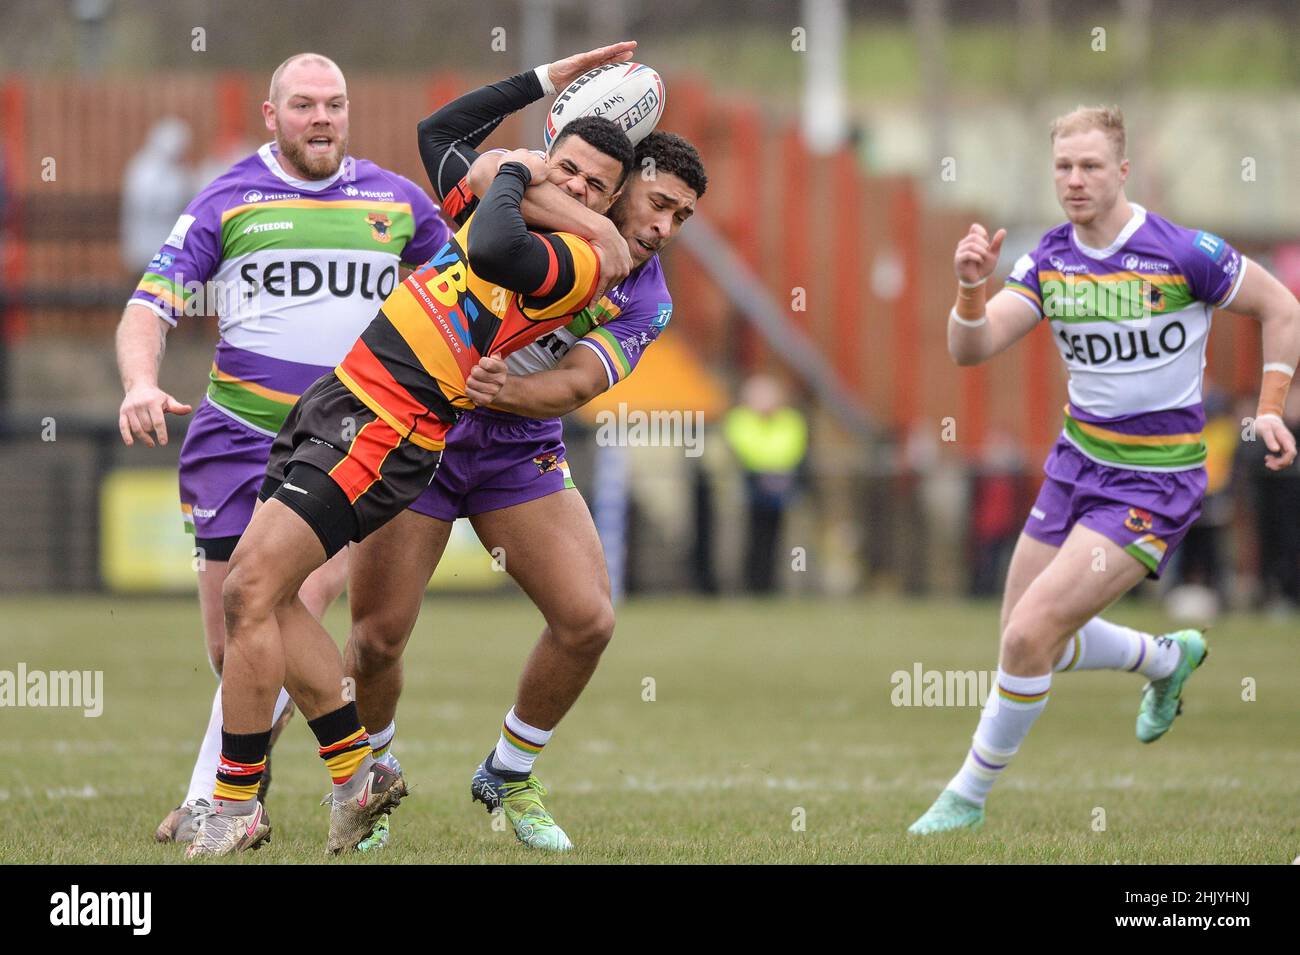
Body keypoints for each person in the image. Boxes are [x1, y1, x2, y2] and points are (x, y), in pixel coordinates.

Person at [183, 115, 636, 857]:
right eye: (570, 169)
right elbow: (443, 135)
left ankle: (237, 803)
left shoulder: (579, 260)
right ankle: (354, 772)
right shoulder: (528, 213)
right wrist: (539, 93)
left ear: (604, 207)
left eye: (597, 187)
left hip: (392, 420)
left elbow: (492, 236)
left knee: (255, 591)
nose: (578, 187)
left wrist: (517, 169)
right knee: (253, 593)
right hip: (345, 392)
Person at [343, 48, 707, 852]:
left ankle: (507, 770)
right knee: (375, 637)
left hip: (515, 442)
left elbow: (578, 380)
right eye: (658, 204)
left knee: (588, 619)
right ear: (617, 183)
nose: (662, 227)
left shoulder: (645, 290)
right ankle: (374, 777)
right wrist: (544, 88)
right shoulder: (521, 192)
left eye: (681, 218)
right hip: (422, 422)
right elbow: (443, 133)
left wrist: (508, 393)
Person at [910, 105, 1300, 834]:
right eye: (1063, 167)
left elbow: (1282, 305)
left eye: (1091, 166)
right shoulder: (1049, 258)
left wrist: (1272, 404)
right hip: (1075, 465)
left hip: (1155, 480)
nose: (1075, 180)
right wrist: (969, 287)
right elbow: (972, 348)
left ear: (1124, 172)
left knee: (1031, 638)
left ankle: (965, 797)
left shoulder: (1185, 252)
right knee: (1024, 638)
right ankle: (1162, 657)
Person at [114, 53, 450, 844]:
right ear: (272, 115)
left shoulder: (398, 203)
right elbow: (149, 306)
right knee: (234, 638)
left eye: (335, 103)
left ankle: (223, 800)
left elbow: (460, 293)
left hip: (344, 444)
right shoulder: (225, 199)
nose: (322, 118)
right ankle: (341, 771)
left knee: (270, 601)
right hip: (236, 437)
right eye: (303, 105)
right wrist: (138, 381)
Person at [723, 374, 808, 593]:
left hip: (782, 485)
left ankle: (775, 584)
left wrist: (772, 469)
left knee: (780, 538)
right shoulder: (740, 418)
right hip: (751, 483)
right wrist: (767, 468)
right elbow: (745, 447)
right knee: (748, 536)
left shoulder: (790, 420)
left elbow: (791, 448)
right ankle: (748, 584)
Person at [120, 117, 194, 272]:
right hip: (146, 247)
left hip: (168, 249)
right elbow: (146, 203)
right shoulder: (144, 170)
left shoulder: (176, 171)